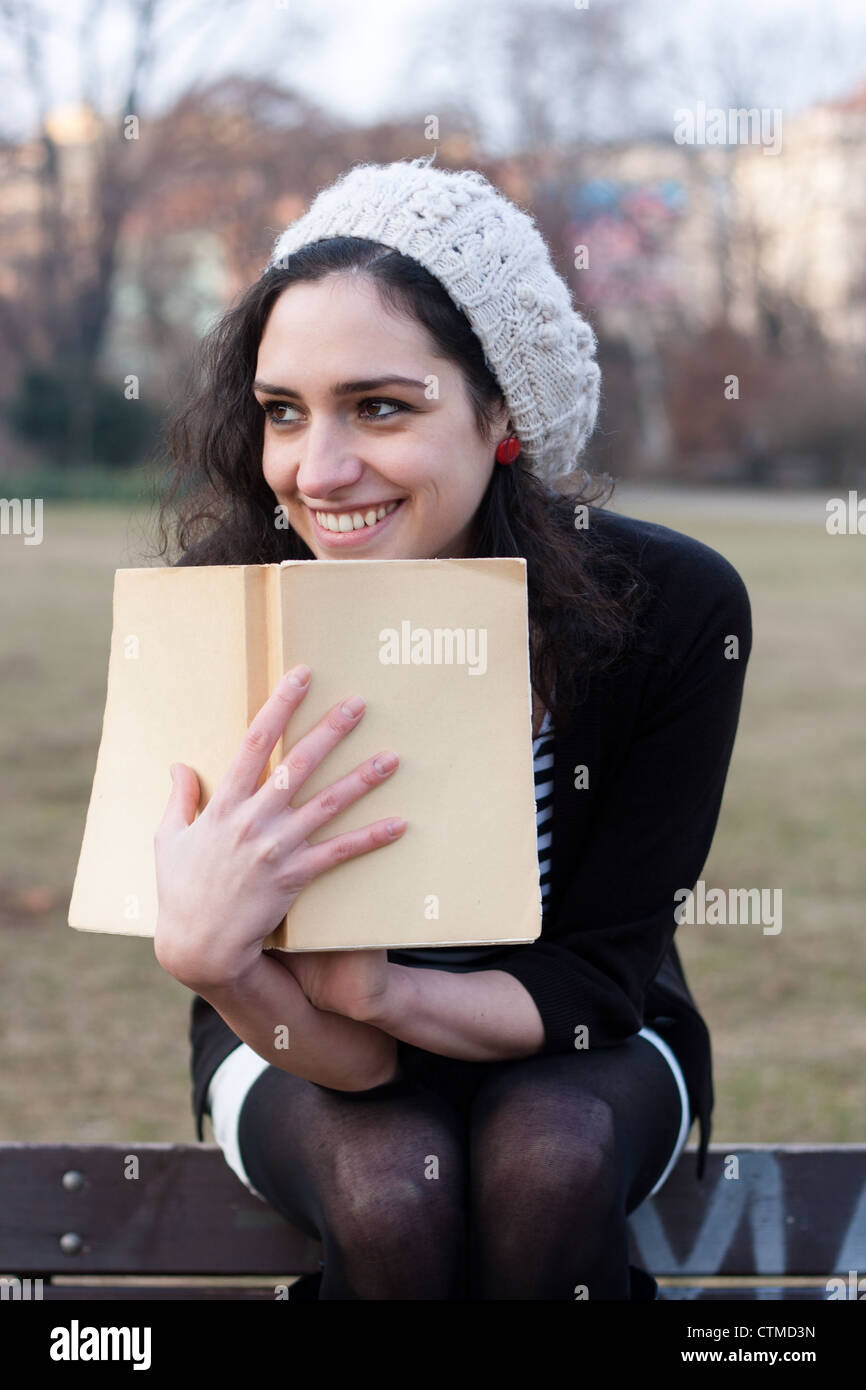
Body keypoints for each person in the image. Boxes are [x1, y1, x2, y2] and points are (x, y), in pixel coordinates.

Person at [152, 154, 752, 1300]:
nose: (317, 472)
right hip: (289, 1040)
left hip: (589, 1037)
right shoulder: (229, 603)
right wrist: (210, 963)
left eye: (380, 406)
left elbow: (599, 978)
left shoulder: (670, 611)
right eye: (284, 412)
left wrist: (388, 990)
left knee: (548, 1162)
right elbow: (343, 1053)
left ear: (501, 416)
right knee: (391, 1189)